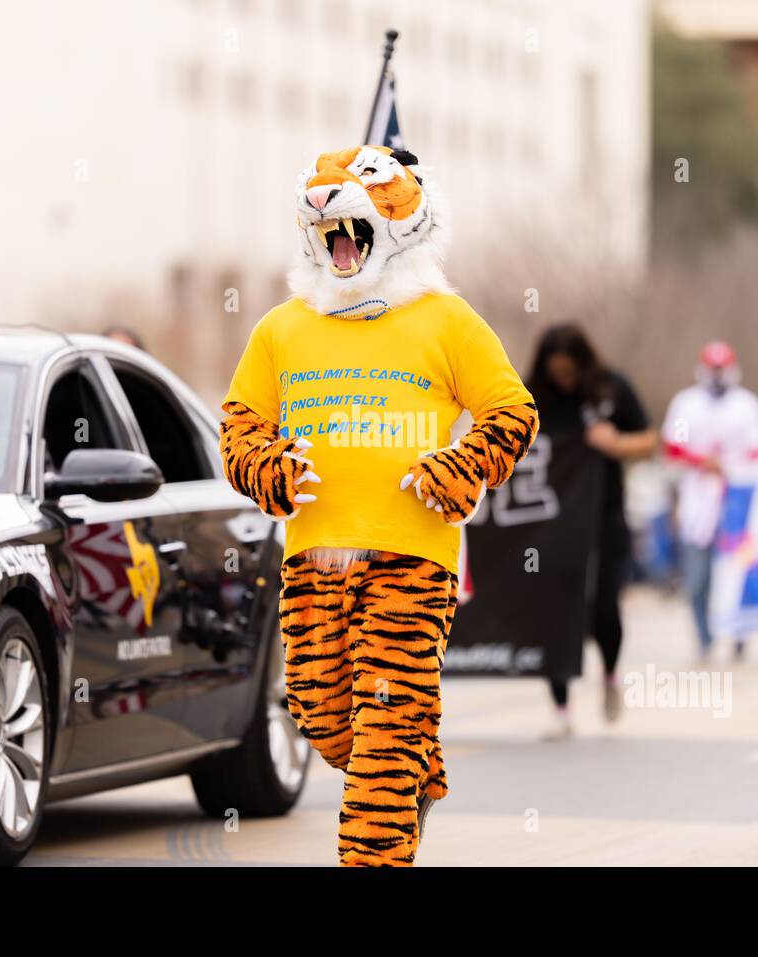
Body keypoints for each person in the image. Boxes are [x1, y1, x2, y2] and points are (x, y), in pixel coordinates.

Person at [219, 144, 538, 866]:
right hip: (313, 557)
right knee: (322, 715)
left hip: (411, 559)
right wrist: (265, 466)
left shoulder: (446, 320)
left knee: (385, 731)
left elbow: (512, 412)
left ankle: (380, 834)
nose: (339, 229)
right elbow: (238, 426)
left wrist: (462, 466)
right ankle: (414, 774)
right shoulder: (281, 328)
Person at [527, 324, 657, 738]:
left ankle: (611, 674)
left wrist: (617, 444)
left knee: (604, 605)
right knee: (553, 611)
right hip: (550, 523)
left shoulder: (611, 388)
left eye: (569, 372)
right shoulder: (532, 397)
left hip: (605, 515)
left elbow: (652, 440)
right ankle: (561, 708)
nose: (563, 379)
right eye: (556, 372)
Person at [661, 341, 758, 662]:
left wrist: (728, 466)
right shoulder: (685, 404)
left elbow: (757, 451)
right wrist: (702, 462)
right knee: (698, 578)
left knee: (735, 571)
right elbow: (672, 447)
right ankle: (705, 639)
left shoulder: (747, 405)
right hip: (697, 499)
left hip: (735, 500)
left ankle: (739, 633)